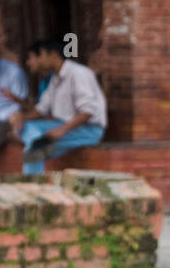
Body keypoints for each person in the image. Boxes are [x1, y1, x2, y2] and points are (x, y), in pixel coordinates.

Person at [8, 40, 107, 175]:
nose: (38, 61)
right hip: (61, 125)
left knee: (33, 149)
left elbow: (88, 111)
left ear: (53, 55)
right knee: (27, 129)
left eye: (40, 56)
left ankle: (33, 181)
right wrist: (20, 117)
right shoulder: (55, 78)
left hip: (88, 130)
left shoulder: (79, 73)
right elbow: (41, 109)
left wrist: (61, 130)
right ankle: (38, 141)